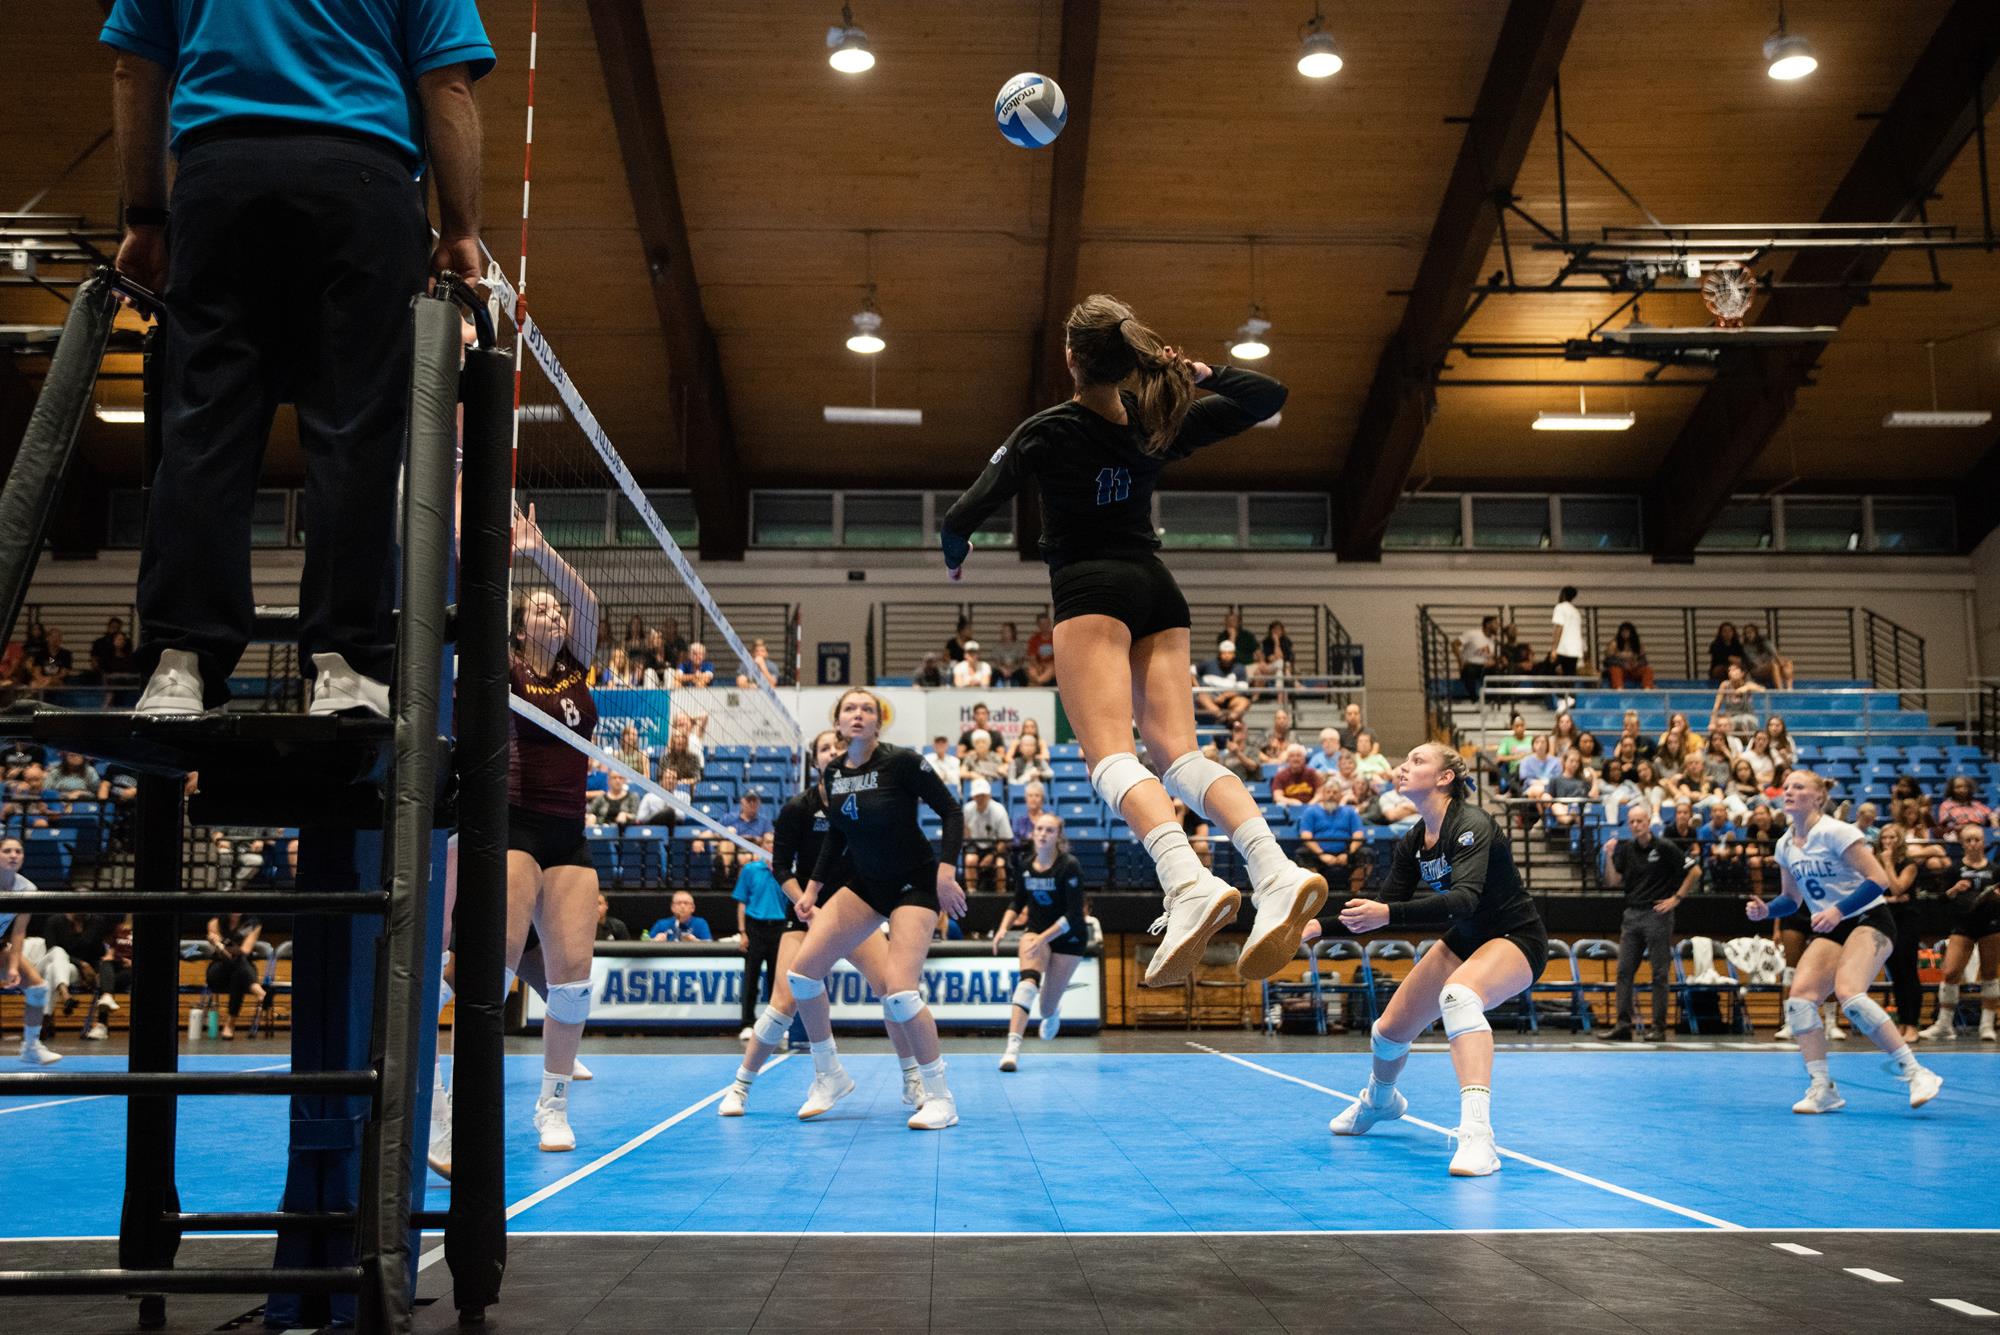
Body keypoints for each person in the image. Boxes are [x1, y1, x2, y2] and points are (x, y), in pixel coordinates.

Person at [109, 0, 491, 717]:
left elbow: (136, 68)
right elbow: (447, 83)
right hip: (363, 185)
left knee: (204, 428)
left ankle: (179, 664)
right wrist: (461, 229)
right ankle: (344, 670)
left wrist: (145, 218)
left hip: (219, 182)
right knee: (355, 436)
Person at [940, 296, 1317, 987]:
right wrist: (1200, 372)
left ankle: (1186, 880)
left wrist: (955, 548)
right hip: (1157, 589)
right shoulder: (1156, 418)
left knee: (1110, 757)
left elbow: (964, 511)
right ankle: (1275, 869)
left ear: (1071, 359)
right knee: (1180, 756)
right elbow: (1269, 396)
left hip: (1091, 591)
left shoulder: (1046, 431)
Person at [1322, 743, 1546, 1177]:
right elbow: (1380, 910)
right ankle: (1380, 1101)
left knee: (1459, 997)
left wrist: (1387, 914)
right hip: (1466, 939)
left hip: (1516, 937)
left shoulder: (1472, 825)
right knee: (1387, 1033)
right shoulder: (1414, 839)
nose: (1403, 767)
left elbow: (1463, 901)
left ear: (1445, 778)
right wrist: (1315, 927)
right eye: (1405, 760)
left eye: (1417, 761)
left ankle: (1478, 1137)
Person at [721, 727, 924, 1117]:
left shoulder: (868, 803)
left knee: (893, 990)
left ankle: (912, 1078)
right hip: (806, 913)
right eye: (824, 748)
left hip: (854, 913)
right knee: (784, 1000)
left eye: (838, 746)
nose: (832, 751)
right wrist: (805, 903)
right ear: (815, 761)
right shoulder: (798, 808)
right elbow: (781, 866)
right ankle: (742, 1087)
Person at [787, 689, 966, 1129]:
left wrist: (946, 871)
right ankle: (829, 1074)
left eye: (867, 709)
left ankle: (940, 1098)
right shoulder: (833, 771)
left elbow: (951, 811)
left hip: (914, 882)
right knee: (802, 976)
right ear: (838, 721)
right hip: (867, 884)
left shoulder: (901, 762)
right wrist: (812, 890)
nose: (858, 714)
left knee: (900, 994)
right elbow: (836, 835)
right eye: (850, 708)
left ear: (878, 722)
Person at [497, 507, 602, 1153]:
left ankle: (553, 1107)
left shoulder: (575, 668)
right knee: (499, 962)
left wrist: (539, 551)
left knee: (573, 979)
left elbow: (587, 602)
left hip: (568, 830)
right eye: (540, 609)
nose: (554, 615)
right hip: (513, 823)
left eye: (555, 610)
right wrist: (502, 560)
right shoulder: (506, 668)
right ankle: (445, 1092)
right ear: (518, 624)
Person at [1746, 771, 1941, 1112]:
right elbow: (1791, 899)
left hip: (1868, 917)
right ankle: (1823, 1088)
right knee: (1800, 1001)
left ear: (1818, 796)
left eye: (1798, 787)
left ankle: (1917, 1073)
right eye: (1786, 787)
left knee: (1850, 993)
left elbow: (1878, 879)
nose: (1788, 791)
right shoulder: (1785, 844)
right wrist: (1766, 910)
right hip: (1831, 925)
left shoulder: (1836, 832)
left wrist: (1838, 910)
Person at [993, 812, 1089, 1072]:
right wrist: (1003, 928)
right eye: (1039, 829)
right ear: (1033, 833)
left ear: (1058, 836)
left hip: (1069, 937)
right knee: (1027, 985)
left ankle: (1053, 1010)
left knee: (1045, 1008)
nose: (1043, 834)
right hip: (1036, 932)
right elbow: (1017, 902)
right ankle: (1012, 1049)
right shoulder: (1025, 865)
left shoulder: (1069, 866)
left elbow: (1074, 915)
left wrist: (1044, 938)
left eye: (1049, 830)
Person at [1601, 804, 1701, 1041]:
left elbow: (1695, 871)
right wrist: (1609, 856)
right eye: (1632, 822)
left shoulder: (1664, 846)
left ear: (1648, 822)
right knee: (1624, 971)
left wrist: (1676, 899)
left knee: (1659, 973)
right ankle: (1623, 1026)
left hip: (1657, 914)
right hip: (1632, 914)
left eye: (1640, 821)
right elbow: (1613, 881)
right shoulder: (1626, 849)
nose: (1636, 825)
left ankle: (1658, 1028)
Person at [1918, 823, 1999, 1043]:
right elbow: (1941, 899)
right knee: (1951, 971)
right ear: (1962, 843)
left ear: (1983, 842)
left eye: (1977, 839)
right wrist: (1954, 890)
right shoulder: (1954, 870)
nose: (1973, 844)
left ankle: (1986, 1025)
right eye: (1968, 840)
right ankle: (1944, 1025)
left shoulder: (1994, 869)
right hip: (1963, 925)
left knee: (1990, 974)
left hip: (1990, 925)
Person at [0, 838, 63, 1064]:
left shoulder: (27, 889)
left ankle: (30, 1048)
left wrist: (13, 967)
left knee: (37, 987)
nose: (13, 855)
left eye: (18, 851)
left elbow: (19, 932)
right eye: (7, 851)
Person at [203, 915, 266, 1039]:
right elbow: (222, 952)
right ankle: (256, 988)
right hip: (219, 970)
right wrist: (218, 943)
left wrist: (223, 943)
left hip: (241, 970)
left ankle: (230, 1024)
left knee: (238, 974)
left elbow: (245, 950)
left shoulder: (253, 924)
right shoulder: (215, 922)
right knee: (238, 965)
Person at [1297, 777, 1364, 891]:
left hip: (1346, 852)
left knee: (1366, 854)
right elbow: (1306, 836)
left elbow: (1358, 835)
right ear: (1323, 794)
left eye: (1335, 792)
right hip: (1318, 853)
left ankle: (1354, 893)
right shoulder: (1310, 811)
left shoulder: (1350, 812)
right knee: (1302, 854)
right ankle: (1317, 893)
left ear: (1341, 795)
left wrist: (1348, 854)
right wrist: (1321, 854)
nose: (1331, 795)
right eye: (1328, 792)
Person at [962, 778, 1014, 896]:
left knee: (1000, 864)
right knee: (969, 860)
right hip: (975, 844)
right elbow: (967, 836)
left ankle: (1001, 895)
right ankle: (972, 894)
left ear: (989, 795)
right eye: (978, 795)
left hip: (996, 846)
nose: (980, 798)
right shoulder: (967, 809)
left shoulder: (999, 811)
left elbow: (1005, 840)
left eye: (983, 795)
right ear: (973, 796)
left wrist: (992, 855)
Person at [1193, 641, 1252, 726]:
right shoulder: (1208, 664)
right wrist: (1198, 688)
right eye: (1224, 653)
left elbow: (1243, 689)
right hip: (1210, 697)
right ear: (1220, 654)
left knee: (1244, 702)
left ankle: (1231, 719)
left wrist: (1225, 696)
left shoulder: (1240, 668)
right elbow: (1190, 673)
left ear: (1234, 654)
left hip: (1229, 700)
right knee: (1202, 697)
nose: (1227, 656)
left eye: (1229, 653)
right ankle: (1221, 717)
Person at [1454, 614, 1499, 700]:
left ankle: (1492, 698)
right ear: (1488, 624)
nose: (1498, 626)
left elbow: (1493, 657)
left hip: (1484, 668)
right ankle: (1473, 698)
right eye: (1495, 623)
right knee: (1470, 670)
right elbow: (1454, 644)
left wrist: (1493, 661)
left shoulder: (1494, 640)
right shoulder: (1473, 634)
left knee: (1497, 669)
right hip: (1470, 666)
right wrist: (1460, 661)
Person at [1711, 664, 1764, 736]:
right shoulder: (1725, 685)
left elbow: (1763, 690)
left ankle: (1751, 740)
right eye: (1730, 670)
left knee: (1745, 720)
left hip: (1748, 716)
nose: (1731, 672)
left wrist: (1747, 688)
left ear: (1742, 673)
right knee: (1723, 724)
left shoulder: (1748, 684)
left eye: (1735, 669)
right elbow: (1716, 706)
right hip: (1731, 718)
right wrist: (1712, 722)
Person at [1601, 621, 1654, 690]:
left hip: (1634, 669)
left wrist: (1636, 664)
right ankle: (1619, 688)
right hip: (1620, 670)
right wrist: (1622, 664)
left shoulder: (1638, 645)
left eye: (1627, 631)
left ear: (1632, 633)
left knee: (1648, 670)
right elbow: (1608, 661)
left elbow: (1644, 661)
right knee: (1615, 670)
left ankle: (1647, 688)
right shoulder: (1614, 644)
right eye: (1623, 631)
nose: (1625, 633)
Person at [1739, 623, 1794, 690]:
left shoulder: (1764, 641)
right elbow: (1755, 662)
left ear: (1756, 633)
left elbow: (1775, 653)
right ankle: (1780, 689)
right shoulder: (1745, 647)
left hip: (1769, 665)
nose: (1749, 634)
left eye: (1751, 632)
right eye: (1747, 633)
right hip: (1755, 670)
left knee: (1788, 662)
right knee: (1773, 665)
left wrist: (1781, 662)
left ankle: (1789, 688)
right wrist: (1770, 663)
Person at [1547, 586, 1584, 678]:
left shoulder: (1560, 607)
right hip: (1575, 650)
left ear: (1563, 595)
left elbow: (1559, 627)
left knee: (1547, 670)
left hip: (1563, 648)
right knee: (1569, 677)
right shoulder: (1576, 612)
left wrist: (1554, 649)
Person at [989, 622, 1028, 687]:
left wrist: (1013, 670)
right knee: (994, 675)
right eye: (1003, 631)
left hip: (1015, 669)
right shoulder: (997, 647)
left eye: (1007, 631)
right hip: (1002, 670)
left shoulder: (1019, 646)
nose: (1005, 633)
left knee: (1023, 676)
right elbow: (996, 662)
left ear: (1013, 632)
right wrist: (1003, 669)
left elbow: (1021, 661)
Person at [1023, 613, 1057, 687]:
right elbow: (1032, 658)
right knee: (1031, 671)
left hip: (1052, 665)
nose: (1044, 626)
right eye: (1042, 624)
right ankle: (1040, 682)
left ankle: (1038, 682)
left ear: (1050, 623)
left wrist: (1048, 665)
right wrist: (1038, 667)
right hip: (1039, 665)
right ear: (1038, 625)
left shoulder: (1055, 637)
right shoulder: (1034, 639)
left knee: (1051, 669)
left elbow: (1059, 657)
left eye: (1046, 623)